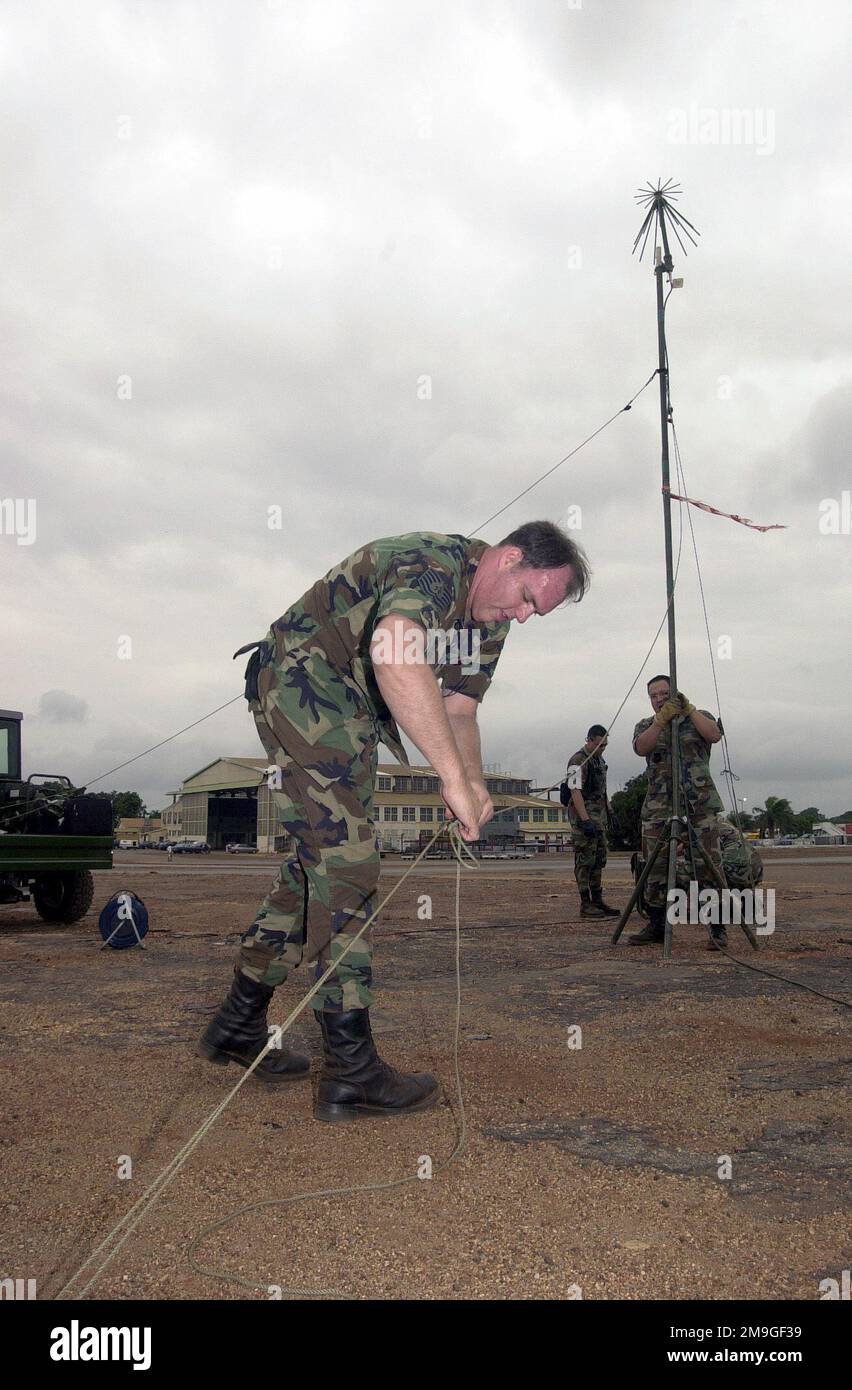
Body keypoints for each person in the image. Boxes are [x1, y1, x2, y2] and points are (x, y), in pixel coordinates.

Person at [199, 522, 590, 1121]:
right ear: (508, 558)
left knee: (322, 868)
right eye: (530, 598)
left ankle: (238, 1021)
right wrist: (449, 780)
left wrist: (474, 784)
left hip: (349, 707)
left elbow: (460, 711)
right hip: (304, 681)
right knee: (349, 866)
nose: (525, 616)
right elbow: (394, 652)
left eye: (540, 612)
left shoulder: (488, 622)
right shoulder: (430, 565)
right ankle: (351, 1073)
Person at [629, 675, 727, 949]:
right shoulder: (646, 725)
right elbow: (640, 748)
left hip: (699, 805)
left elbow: (714, 735)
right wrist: (661, 722)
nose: (658, 699)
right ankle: (658, 923)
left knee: (708, 865)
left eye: (664, 694)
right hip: (659, 807)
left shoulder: (699, 717)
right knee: (655, 868)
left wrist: (689, 709)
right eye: (653, 696)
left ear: (675, 693)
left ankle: (717, 929)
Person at [565, 725, 618, 918]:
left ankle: (597, 900)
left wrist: (610, 811)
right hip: (584, 817)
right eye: (599, 744)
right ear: (589, 740)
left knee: (598, 859)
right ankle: (585, 903)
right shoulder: (578, 760)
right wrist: (585, 820)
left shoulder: (599, 760)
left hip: (599, 816)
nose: (602, 748)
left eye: (605, 745)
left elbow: (602, 789)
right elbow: (575, 791)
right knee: (585, 860)